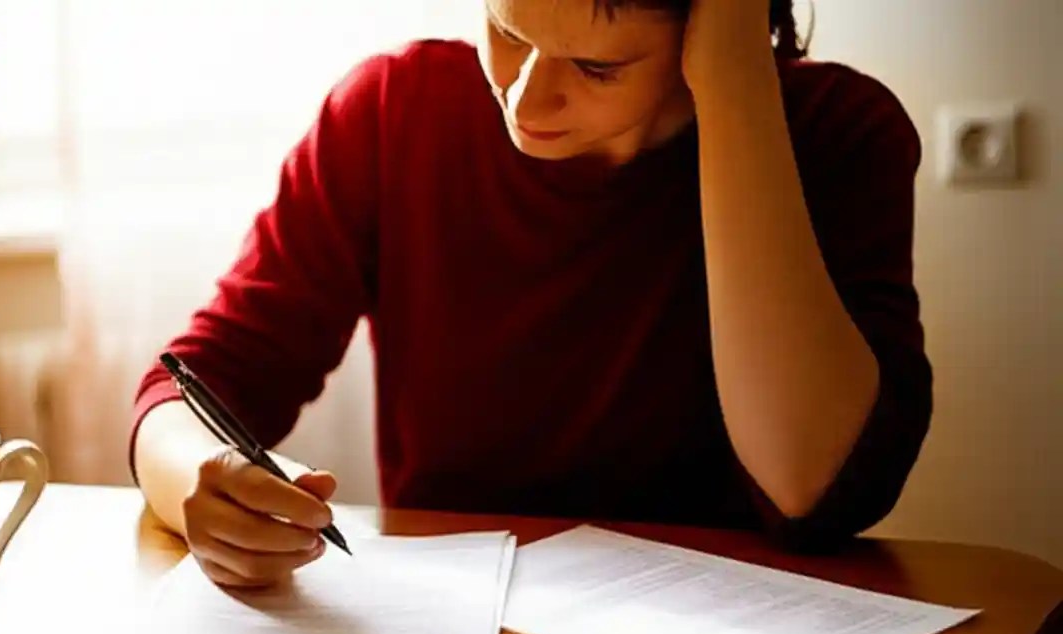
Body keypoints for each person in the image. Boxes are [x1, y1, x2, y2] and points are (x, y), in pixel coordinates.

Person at [131, 0, 932, 588]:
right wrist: (198, 476)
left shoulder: (835, 134)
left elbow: (812, 488)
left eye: (596, 67)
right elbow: (199, 380)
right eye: (507, 31)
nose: (525, 99)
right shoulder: (392, 111)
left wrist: (735, 85)